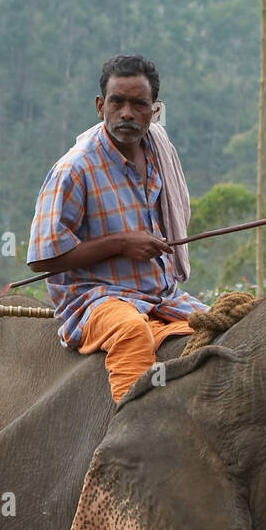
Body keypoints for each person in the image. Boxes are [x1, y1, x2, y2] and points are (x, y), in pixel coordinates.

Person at [27, 53, 209, 403]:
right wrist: (121, 244)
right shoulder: (75, 169)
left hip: (161, 297)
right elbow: (41, 259)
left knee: (221, 329)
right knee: (130, 332)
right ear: (100, 106)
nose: (127, 113)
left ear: (154, 111)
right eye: (117, 102)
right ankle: (131, 439)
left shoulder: (160, 153)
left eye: (139, 104)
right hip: (95, 298)